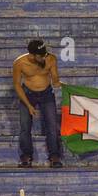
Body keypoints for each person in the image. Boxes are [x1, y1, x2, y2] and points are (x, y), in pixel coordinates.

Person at [14, 38, 63, 167]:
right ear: (32, 55)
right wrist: (29, 105)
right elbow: (17, 85)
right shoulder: (20, 63)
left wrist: (59, 82)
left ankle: (54, 156)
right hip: (28, 94)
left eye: (45, 54)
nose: (44, 57)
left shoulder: (50, 59)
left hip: (46, 93)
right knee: (25, 127)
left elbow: (55, 80)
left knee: (52, 126)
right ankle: (26, 155)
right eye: (41, 56)